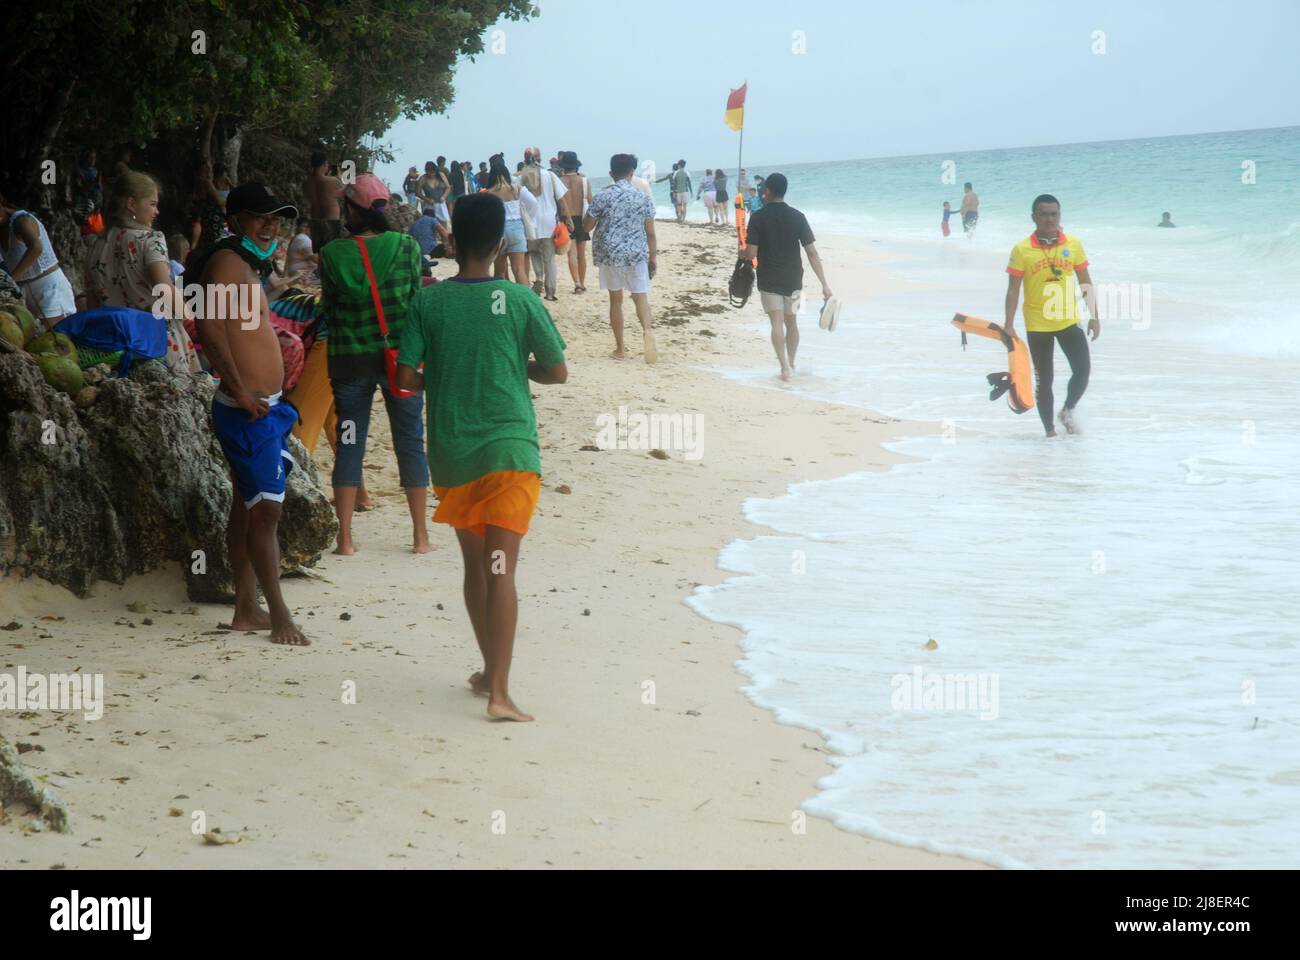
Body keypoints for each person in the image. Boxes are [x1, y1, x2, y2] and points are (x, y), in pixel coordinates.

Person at [396, 192, 568, 722]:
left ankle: (488, 670)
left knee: (477, 566)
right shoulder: (520, 300)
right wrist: (520, 367)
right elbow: (557, 371)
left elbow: (404, 381)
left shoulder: (428, 302)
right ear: (500, 243)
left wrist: (442, 374)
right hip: (511, 449)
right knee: (503, 570)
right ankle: (498, 691)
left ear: (451, 241)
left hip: (452, 454)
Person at [190, 182, 309, 646]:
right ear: (236, 219)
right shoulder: (226, 262)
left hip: (265, 409)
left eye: (276, 217)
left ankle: (246, 608)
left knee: (247, 507)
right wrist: (240, 392)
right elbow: (210, 331)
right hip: (248, 412)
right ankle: (280, 616)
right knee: (267, 515)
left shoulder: (247, 265)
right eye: (261, 216)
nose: (271, 224)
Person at [318, 173, 431, 554]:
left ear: (353, 209)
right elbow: (415, 304)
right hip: (401, 360)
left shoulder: (332, 253)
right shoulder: (407, 247)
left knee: (350, 442)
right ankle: (420, 537)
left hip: (349, 362)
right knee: (410, 441)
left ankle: (345, 539)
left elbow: (328, 310)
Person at [86, 172, 199, 374]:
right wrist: (190, 319)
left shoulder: (96, 245)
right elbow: (164, 289)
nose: (157, 211)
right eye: (153, 204)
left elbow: (92, 302)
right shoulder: (151, 240)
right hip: (156, 341)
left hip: (113, 345)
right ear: (131, 204)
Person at [1005, 194, 1098, 437]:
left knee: (1083, 371)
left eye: (1054, 214)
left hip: (1068, 319)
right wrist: (1008, 324)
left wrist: (1094, 316)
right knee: (1044, 381)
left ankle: (1067, 411)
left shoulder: (1073, 244)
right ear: (1034, 217)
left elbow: (1085, 281)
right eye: (1044, 214)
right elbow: (1013, 289)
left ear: (1060, 215)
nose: (1049, 219)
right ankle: (1049, 432)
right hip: (1037, 325)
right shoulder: (1021, 249)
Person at [742, 173, 833, 382]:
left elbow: (751, 254)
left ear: (767, 191)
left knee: (776, 322)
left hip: (768, 278)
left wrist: (743, 251)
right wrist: (824, 285)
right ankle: (791, 362)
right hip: (794, 280)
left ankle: (783, 367)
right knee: (791, 323)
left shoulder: (757, 217)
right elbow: (812, 253)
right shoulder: (798, 216)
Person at [583, 153, 658, 364]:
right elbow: (651, 233)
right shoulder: (642, 197)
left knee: (615, 300)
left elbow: (587, 226)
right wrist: (653, 258)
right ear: (632, 172)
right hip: (637, 254)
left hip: (610, 255)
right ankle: (647, 331)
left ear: (611, 173)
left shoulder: (603, 196)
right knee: (640, 297)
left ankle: (620, 349)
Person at [0, 196, 80, 330]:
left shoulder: (21, 220)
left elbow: (36, 247)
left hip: (49, 290)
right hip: (26, 294)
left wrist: (11, 280)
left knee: (58, 337)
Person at [519, 149, 567, 301]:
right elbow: (561, 199)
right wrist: (569, 219)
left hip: (529, 222)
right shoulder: (550, 175)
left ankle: (539, 277)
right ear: (540, 158)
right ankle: (550, 292)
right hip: (548, 222)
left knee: (534, 253)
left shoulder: (520, 177)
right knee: (549, 259)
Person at [484, 157, 537, 284]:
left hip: (498, 230)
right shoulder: (516, 188)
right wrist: (526, 216)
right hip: (517, 227)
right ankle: (525, 300)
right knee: (519, 270)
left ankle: (501, 301)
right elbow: (533, 203)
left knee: (499, 271)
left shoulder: (488, 193)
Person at [557, 151, 593, 293]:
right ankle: (582, 283)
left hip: (566, 219)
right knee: (581, 254)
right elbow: (591, 200)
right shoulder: (584, 181)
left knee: (571, 254)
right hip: (582, 218)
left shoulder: (559, 181)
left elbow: (558, 203)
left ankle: (577, 282)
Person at [305, 151, 344, 253]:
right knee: (331, 254)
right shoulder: (332, 181)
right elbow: (345, 192)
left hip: (315, 220)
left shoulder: (306, 183)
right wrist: (339, 177)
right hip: (331, 222)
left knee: (319, 254)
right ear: (325, 164)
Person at [417, 161, 451, 226]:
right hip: (429, 205)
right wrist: (427, 199)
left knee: (443, 224)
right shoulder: (423, 178)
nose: (431, 174)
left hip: (441, 204)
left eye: (433, 172)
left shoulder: (441, 175)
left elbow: (448, 187)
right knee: (431, 224)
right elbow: (418, 193)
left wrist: (444, 196)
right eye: (429, 172)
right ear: (426, 171)